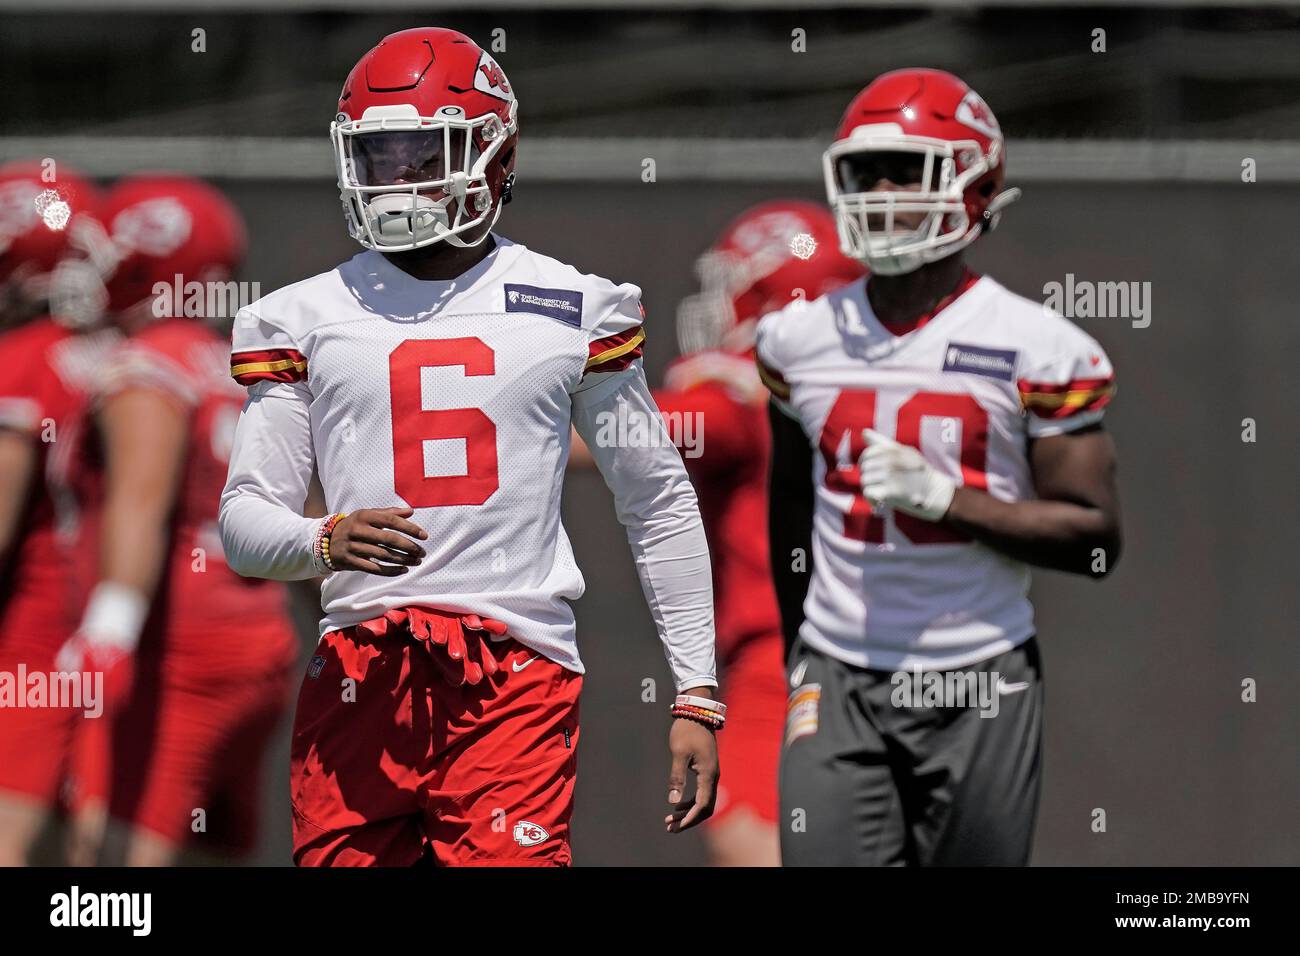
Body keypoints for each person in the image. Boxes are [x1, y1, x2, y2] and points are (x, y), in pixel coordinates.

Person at [218, 27, 721, 867]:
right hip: (359, 670)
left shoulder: (573, 306)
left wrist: (697, 692)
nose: (396, 179)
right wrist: (321, 539)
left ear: (494, 153)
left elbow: (657, 500)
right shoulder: (299, 316)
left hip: (513, 670)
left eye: (422, 152)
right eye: (377, 156)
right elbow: (242, 522)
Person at [760, 68, 1122, 866]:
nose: (881, 192)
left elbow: (1096, 540)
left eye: (907, 171)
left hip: (978, 673)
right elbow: (790, 506)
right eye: (864, 172)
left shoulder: (1037, 346)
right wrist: (801, 647)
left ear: (973, 184)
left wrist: (944, 499)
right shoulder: (797, 339)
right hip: (840, 670)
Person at [575, 200, 863, 865]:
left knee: (741, 821)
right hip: (866, 641)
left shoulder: (737, 406)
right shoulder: (874, 392)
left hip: (784, 651)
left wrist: (500, 427)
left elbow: (625, 438)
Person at [52, 175, 299, 866]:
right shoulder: (240, 369)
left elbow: (141, 497)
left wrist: (110, 626)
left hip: (181, 653)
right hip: (260, 644)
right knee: (210, 852)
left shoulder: (147, 367)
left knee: (121, 869)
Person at [0, 161, 114, 865]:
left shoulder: (22, 360)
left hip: (38, 633)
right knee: (103, 858)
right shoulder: (120, 352)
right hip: (124, 633)